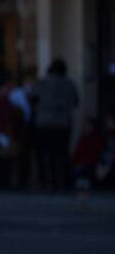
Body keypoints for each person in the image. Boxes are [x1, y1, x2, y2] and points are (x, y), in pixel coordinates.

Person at [32, 58, 79, 191]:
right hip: (62, 123)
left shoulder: (41, 83)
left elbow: (32, 99)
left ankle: (46, 181)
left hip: (43, 123)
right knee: (61, 154)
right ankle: (61, 182)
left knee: (45, 154)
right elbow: (76, 101)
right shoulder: (69, 84)